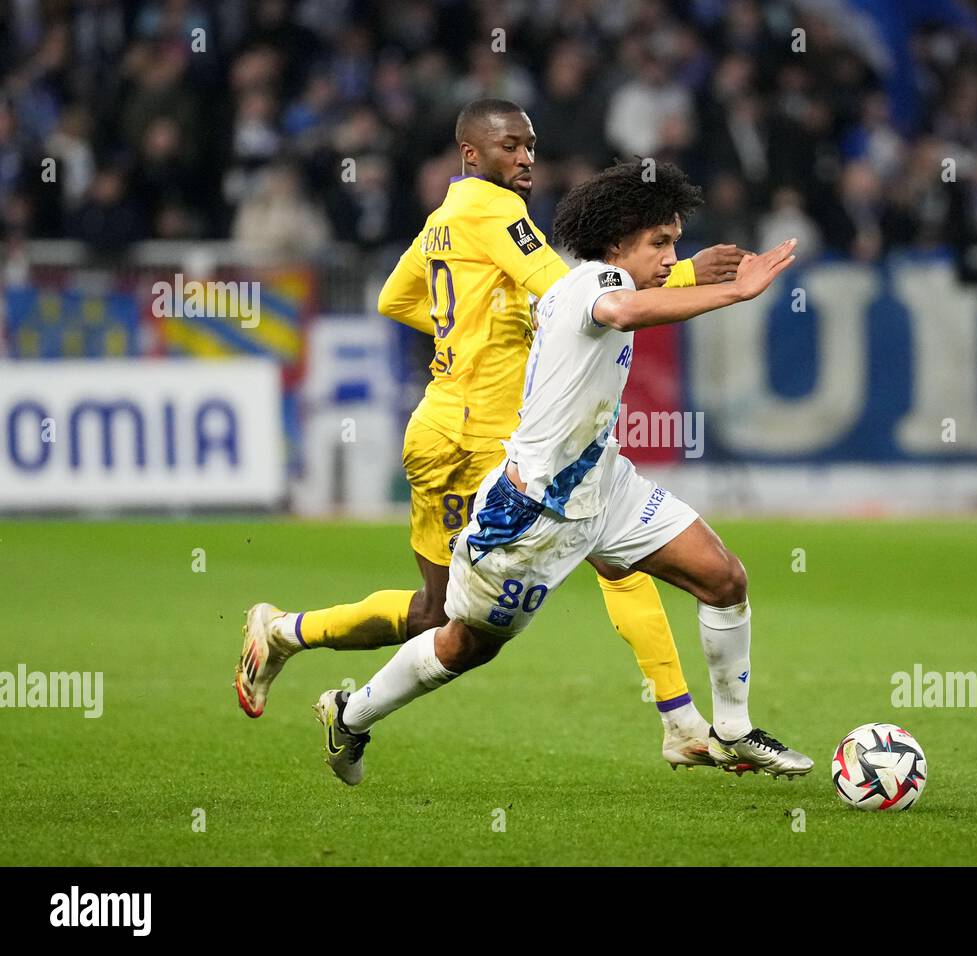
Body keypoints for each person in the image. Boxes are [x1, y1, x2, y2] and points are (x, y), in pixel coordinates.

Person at [235, 99, 748, 769]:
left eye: (530, 145)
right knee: (610, 562)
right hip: (490, 438)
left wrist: (470, 332)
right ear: (471, 154)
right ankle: (682, 725)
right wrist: (682, 274)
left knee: (435, 612)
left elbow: (395, 299)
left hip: (438, 426)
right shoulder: (498, 212)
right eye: (511, 146)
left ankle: (282, 632)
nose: (526, 157)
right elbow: (569, 293)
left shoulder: (443, 219)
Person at [312, 160, 813, 784]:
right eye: (660, 242)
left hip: (603, 485)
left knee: (723, 577)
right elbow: (624, 312)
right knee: (463, 644)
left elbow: (637, 304)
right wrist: (735, 292)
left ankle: (733, 730)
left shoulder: (599, 282)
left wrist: (689, 278)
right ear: (615, 245)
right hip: (533, 513)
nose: (670, 255)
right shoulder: (590, 283)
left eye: (674, 242)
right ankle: (350, 715)